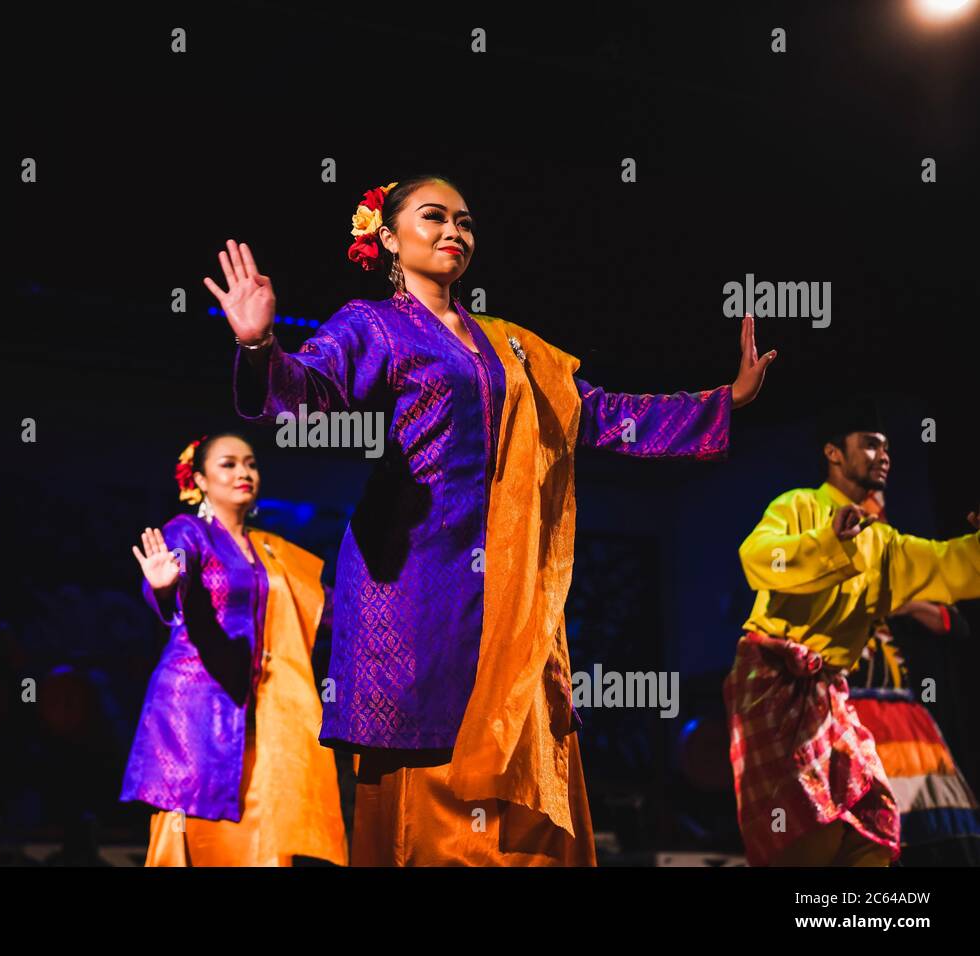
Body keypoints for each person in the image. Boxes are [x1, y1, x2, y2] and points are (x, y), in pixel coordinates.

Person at [204, 174, 774, 865]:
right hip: (411, 581)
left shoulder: (511, 345)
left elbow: (595, 413)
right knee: (427, 779)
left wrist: (722, 401)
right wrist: (259, 347)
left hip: (508, 590)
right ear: (387, 238)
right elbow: (307, 394)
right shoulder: (372, 323)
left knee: (521, 752)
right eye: (434, 217)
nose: (454, 231)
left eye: (465, 221)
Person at [726, 398, 980, 866]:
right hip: (774, 685)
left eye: (887, 448)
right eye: (870, 444)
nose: (884, 456)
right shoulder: (798, 505)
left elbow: (945, 565)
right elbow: (757, 558)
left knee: (871, 827)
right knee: (808, 834)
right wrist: (827, 541)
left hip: (830, 693)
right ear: (834, 453)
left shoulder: (882, 541)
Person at [122, 432, 347, 866]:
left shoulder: (270, 549)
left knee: (261, 839)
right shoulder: (189, 532)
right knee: (193, 838)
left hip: (264, 718)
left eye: (251, 463)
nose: (243, 472)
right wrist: (164, 585)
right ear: (199, 480)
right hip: (194, 720)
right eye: (228, 464)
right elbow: (176, 567)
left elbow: (328, 608)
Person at [848, 492, 980, 865]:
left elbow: (955, 626)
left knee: (929, 823)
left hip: (904, 715)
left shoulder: (907, 578)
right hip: (853, 716)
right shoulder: (838, 578)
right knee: (867, 825)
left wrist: (902, 604)